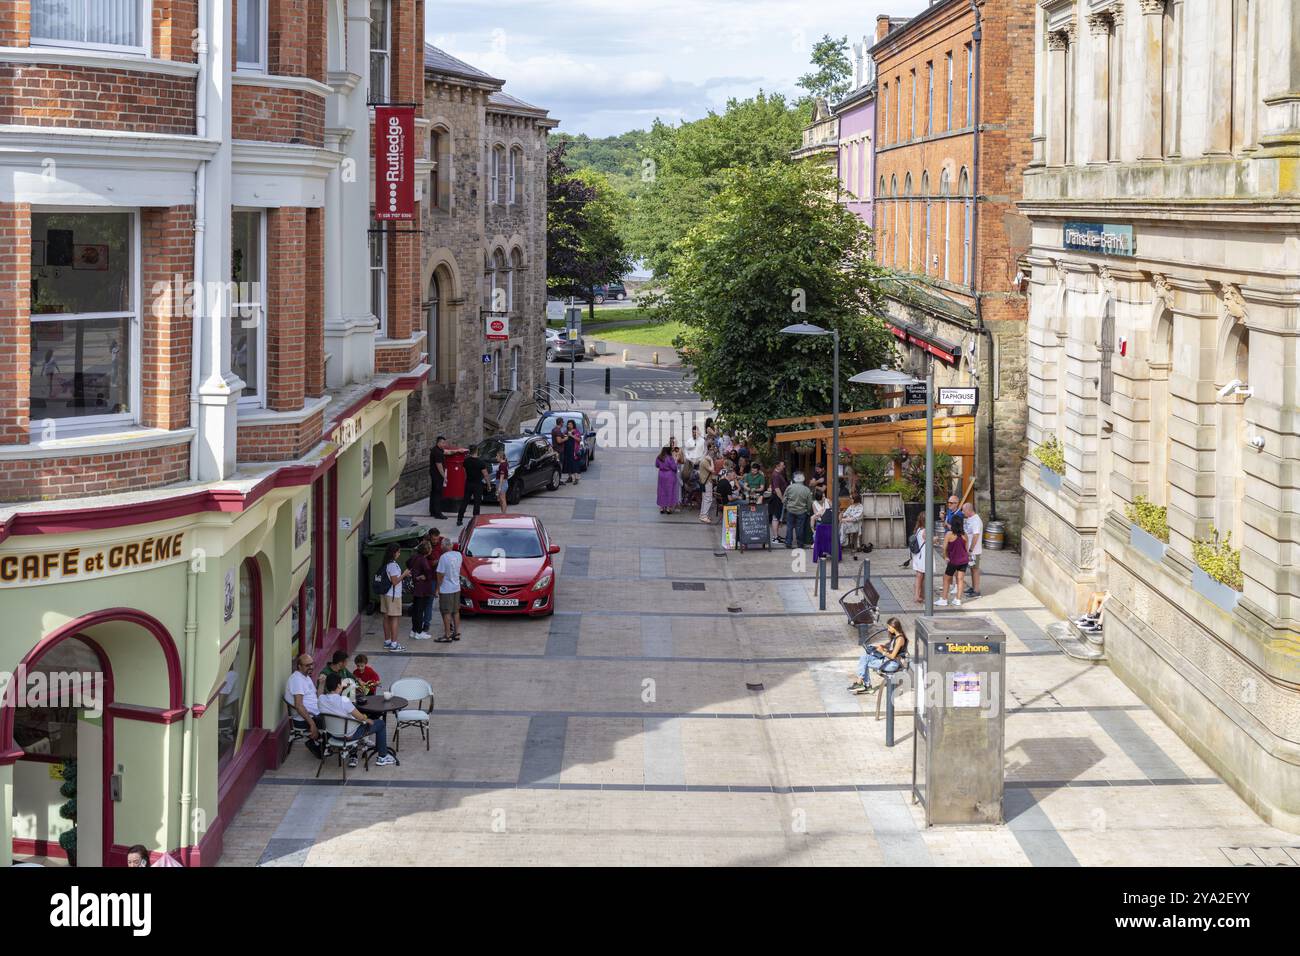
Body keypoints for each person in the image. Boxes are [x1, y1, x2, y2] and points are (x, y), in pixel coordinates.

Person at [318, 671, 396, 768]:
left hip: (333, 735)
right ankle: (383, 757)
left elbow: (319, 694)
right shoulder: (343, 700)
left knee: (357, 721)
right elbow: (359, 717)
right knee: (380, 724)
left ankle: (357, 752)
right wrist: (368, 720)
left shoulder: (321, 700)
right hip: (349, 735)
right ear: (338, 685)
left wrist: (321, 683)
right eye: (341, 682)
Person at [849, 618, 909, 695]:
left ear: (895, 627)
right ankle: (862, 683)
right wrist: (882, 647)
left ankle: (864, 685)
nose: (888, 629)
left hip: (892, 664)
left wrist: (882, 651)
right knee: (864, 657)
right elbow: (891, 649)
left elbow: (893, 656)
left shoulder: (900, 639)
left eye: (889, 627)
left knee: (864, 662)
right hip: (887, 661)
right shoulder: (896, 636)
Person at [285, 653, 325, 754]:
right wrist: (312, 725)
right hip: (308, 718)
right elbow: (299, 706)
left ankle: (322, 743)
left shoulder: (306, 676)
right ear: (299, 666)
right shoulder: (297, 680)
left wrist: (321, 684)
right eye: (307, 665)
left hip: (318, 712)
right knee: (339, 720)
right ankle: (323, 745)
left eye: (312, 664)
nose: (311, 667)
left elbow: (317, 697)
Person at [380, 543, 408, 651]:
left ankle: (387, 641)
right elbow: (395, 581)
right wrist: (404, 574)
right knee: (394, 618)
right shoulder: (392, 565)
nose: (399, 554)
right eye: (398, 552)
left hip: (386, 594)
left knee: (386, 617)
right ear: (394, 553)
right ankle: (394, 644)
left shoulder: (386, 563)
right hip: (393, 596)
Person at [937, 513, 969, 607]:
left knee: (946, 579)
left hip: (954, 560)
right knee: (960, 579)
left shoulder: (949, 534)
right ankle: (958, 599)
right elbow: (966, 549)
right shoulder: (965, 535)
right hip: (964, 561)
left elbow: (944, 547)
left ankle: (944, 599)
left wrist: (945, 556)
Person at [434, 540, 463, 642]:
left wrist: (437, 589)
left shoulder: (443, 557)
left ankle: (447, 635)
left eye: (441, 544)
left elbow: (440, 575)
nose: (440, 546)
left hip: (446, 589)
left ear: (445, 546)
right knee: (456, 611)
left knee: (446, 612)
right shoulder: (459, 555)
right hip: (456, 587)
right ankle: (457, 633)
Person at [457, 448, 491, 525]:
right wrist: (489, 485)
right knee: (477, 503)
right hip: (477, 484)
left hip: (468, 483)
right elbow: (485, 475)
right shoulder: (481, 462)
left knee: (465, 501)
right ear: (476, 451)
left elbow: (464, 471)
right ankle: (475, 520)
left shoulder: (466, 461)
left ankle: (459, 519)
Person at [409, 541, 435, 639]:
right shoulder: (423, 560)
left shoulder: (414, 557)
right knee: (420, 610)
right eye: (430, 548)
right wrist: (422, 577)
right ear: (427, 551)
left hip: (416, 588)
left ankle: (414, 630)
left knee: (416, 610)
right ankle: (419, 632)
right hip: (422, 589)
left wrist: (415, 575)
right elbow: (428, 574)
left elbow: (408, 563)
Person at [783, 471, 814, 549]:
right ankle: (800, 544)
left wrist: (786, 506)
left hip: (790, 510)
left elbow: (784, 499)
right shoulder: (806, 489)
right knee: (799, 527)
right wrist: (808, 510)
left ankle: (788, 543)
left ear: (794, 479)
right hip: (801, 511)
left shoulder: (789, 487)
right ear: (803, 479)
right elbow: (809, 502)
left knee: (789, 527)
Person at [961, 502, 984, 599]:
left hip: (974, 550)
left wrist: (970, 549)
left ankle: (977, 590)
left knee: (975, 569)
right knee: (972, 568)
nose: (962, 512)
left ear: (969, 510)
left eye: (964, 510)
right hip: (969, 550)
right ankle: (973, 587)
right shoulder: (969, 519)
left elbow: (976, 535)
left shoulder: (976, 520)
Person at [428, 436, 448, 519]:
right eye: (443, 443)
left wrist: (457, 451)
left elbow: (447, 452)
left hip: (434, 474)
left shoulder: (436, 450)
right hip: (437, 476)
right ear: (438, 442)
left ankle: (432, 511)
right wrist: (444, 477)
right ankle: (438, 513)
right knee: (438, 494)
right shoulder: (437, 453)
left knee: (433, 493)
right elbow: (439, 466)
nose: (444, 444)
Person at [909, 513, 928, 603]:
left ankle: (921, 594)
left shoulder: (918, 529)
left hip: (917, 555)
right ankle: (917, 595)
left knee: (920, 576)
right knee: (920, 576)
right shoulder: (925, 531)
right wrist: (936, 539)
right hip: (923, 556)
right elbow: (929, 540)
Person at [768, 461, 788, 543]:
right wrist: (782, 498)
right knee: (775, 517)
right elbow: (777, 489)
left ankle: (776, 536)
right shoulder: (776, 475)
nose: (784, 466)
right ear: (777, 466)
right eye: (783, 465)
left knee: (777, 517)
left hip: (778, 498)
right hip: (777, 498)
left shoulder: (779, 474)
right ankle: (775, 537)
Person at [656, 446, 678, 515]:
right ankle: (668, 508)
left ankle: (662, 507)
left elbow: (657, 465)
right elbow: (674, 467)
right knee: (669, 491)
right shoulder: (670, 458)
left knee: (661, 491)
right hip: (669, 475)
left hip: (661, 475)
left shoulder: (659, 457)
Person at [698, 451, 716, 523]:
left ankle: (703, 514)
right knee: (708, 499)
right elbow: (712, 470)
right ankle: (704, 516)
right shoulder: (705, 461)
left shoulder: (703, 461)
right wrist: (711, 460)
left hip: (704, 482)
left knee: (705, 499)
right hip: (706, 482)